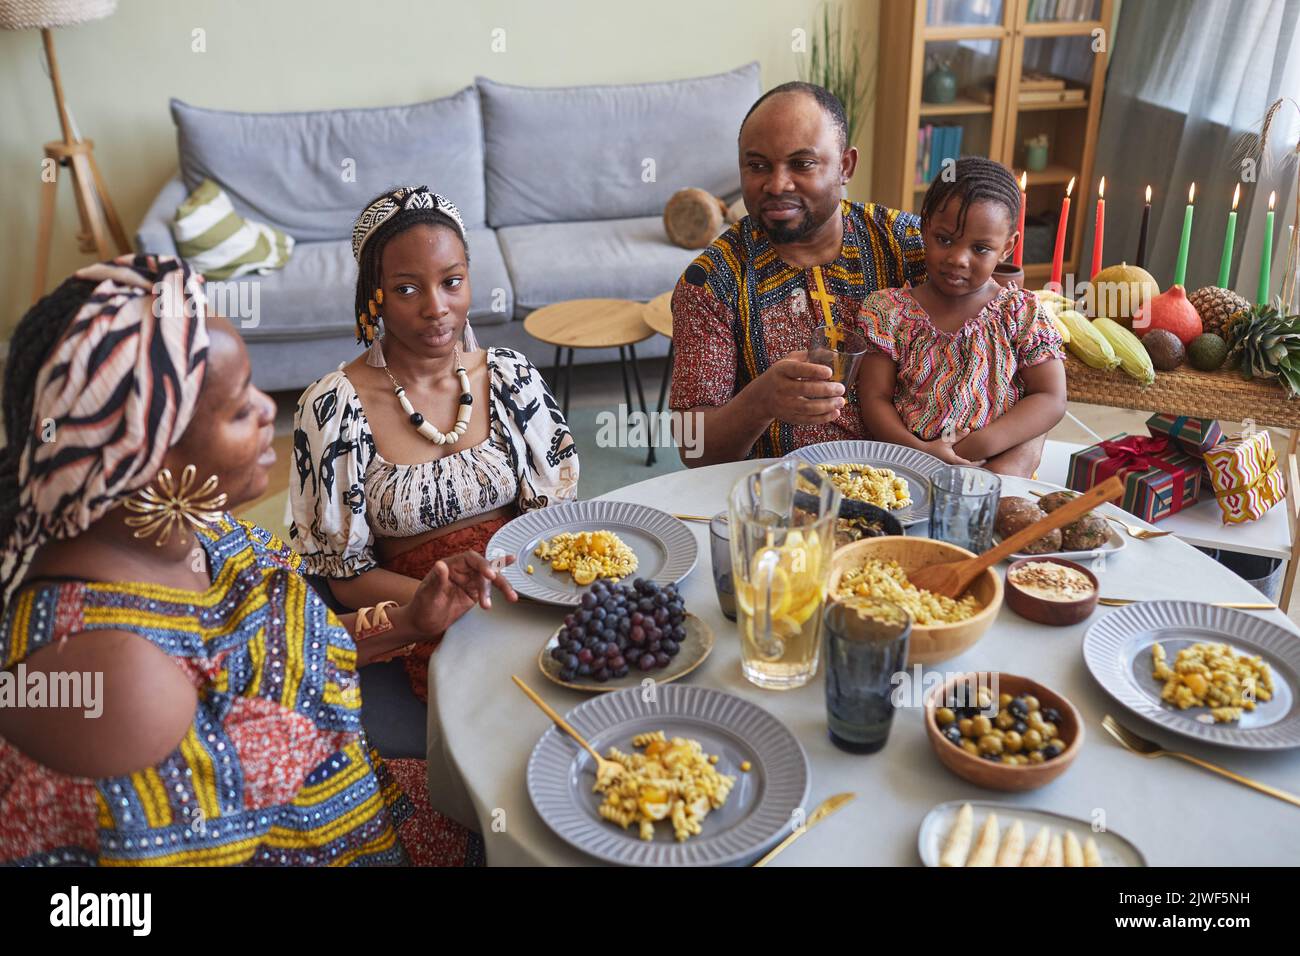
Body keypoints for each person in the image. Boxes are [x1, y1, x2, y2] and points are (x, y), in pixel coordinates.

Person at [0, 256, 517, 866]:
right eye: (239, 408)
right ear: (141, 456)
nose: (270, 411)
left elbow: (276, 660)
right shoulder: (115, 679)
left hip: (365, 812)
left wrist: (408, 623)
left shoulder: (187, 524)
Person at [289, 186, 578, 701]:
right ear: (373, 295)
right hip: (425, 623)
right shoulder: (334, 409)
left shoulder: (510, 378)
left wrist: (522, 595)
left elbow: (553, 521)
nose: (435, 308)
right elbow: (345, 580)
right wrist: (446, 599)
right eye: (406, 289)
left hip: (527, 595)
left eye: (451, 282)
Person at [669, 81, 926, 465]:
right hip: (776, 500)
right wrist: (760, 401)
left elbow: (1025, 359)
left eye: (802, 164)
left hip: (911, 484)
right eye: (757, 166)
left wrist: (1012, 468)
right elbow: (693, 449)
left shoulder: (909, 246)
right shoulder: (711, 282)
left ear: (845, 166)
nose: (776, 184)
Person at [855, 157, 1066, 477]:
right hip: (907, 469)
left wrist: (981, 445)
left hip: (997, 468)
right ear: (924, 227)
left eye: (980, 249)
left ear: (1007, 248)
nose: (958, 259)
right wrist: (921, 452)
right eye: (945, 239)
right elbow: (874, 397)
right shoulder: (889, 311)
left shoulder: (1020, 313)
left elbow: (1051, 397)